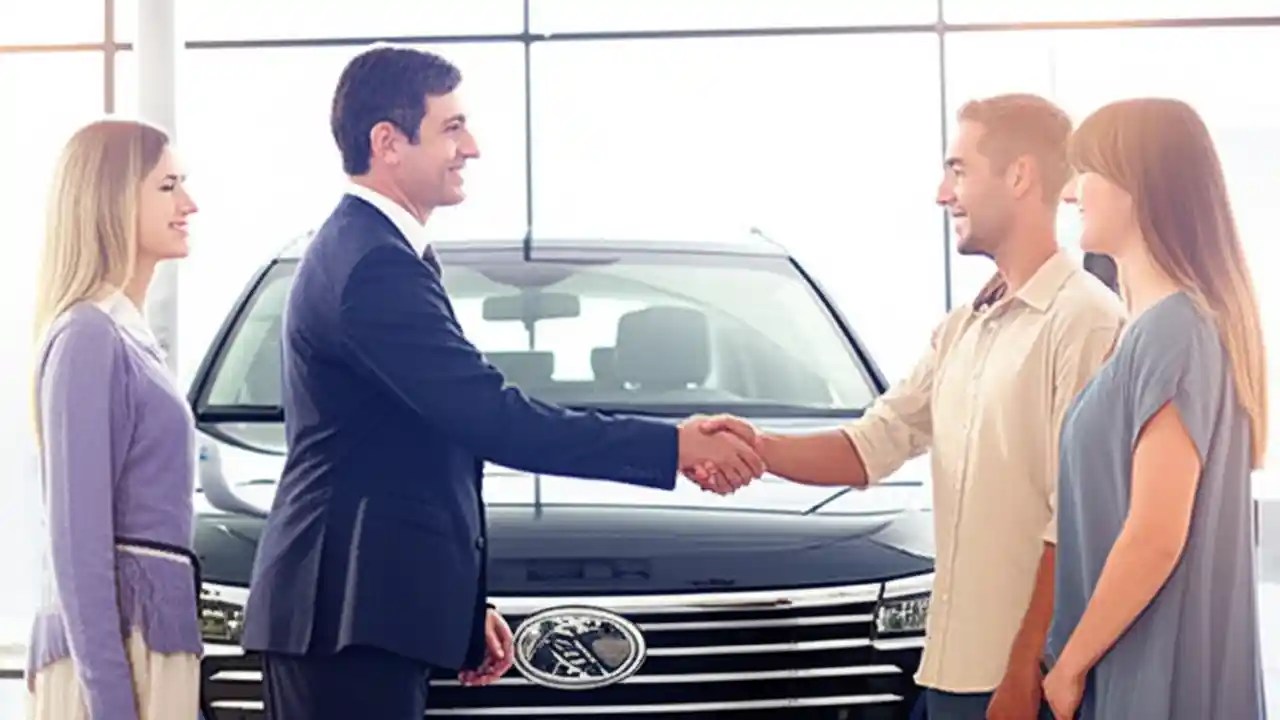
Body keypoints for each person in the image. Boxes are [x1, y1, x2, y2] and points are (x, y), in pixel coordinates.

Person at [239, 44, 764, 720]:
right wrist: (675, 446)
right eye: (452, 127)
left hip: (369, 607)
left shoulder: (373, 249)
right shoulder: (373, 265)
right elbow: (487, 417)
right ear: (387, 142)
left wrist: (460, 602)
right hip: (346, 614)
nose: (474, 147)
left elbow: (411, 448)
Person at [700, 94, 1127, 719]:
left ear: (1019, 176)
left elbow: (1075, 520)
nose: (941, 194)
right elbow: (872, 444)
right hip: (947, 672)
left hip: (1018, 681)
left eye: (958, 170)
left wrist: (1023, 671)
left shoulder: (1084, 321)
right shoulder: (963, 327)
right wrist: (756, 448)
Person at [1041, 98, 1269, 720]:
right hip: (1131, 661)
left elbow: (1154, 536)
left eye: (1085, 171)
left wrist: (1070, 665)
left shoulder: (1175, 331)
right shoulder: (1157, 328)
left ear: (1135, 185)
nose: (1070, 195)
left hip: (1149, 673)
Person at [25, 119, 204, 719]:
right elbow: (76, 545)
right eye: (168, 186)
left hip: (150, 649)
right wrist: (112, 705)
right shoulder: (87, 336)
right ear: (113, 199)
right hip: (120, 659)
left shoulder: (125, 336)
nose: (189, 204)